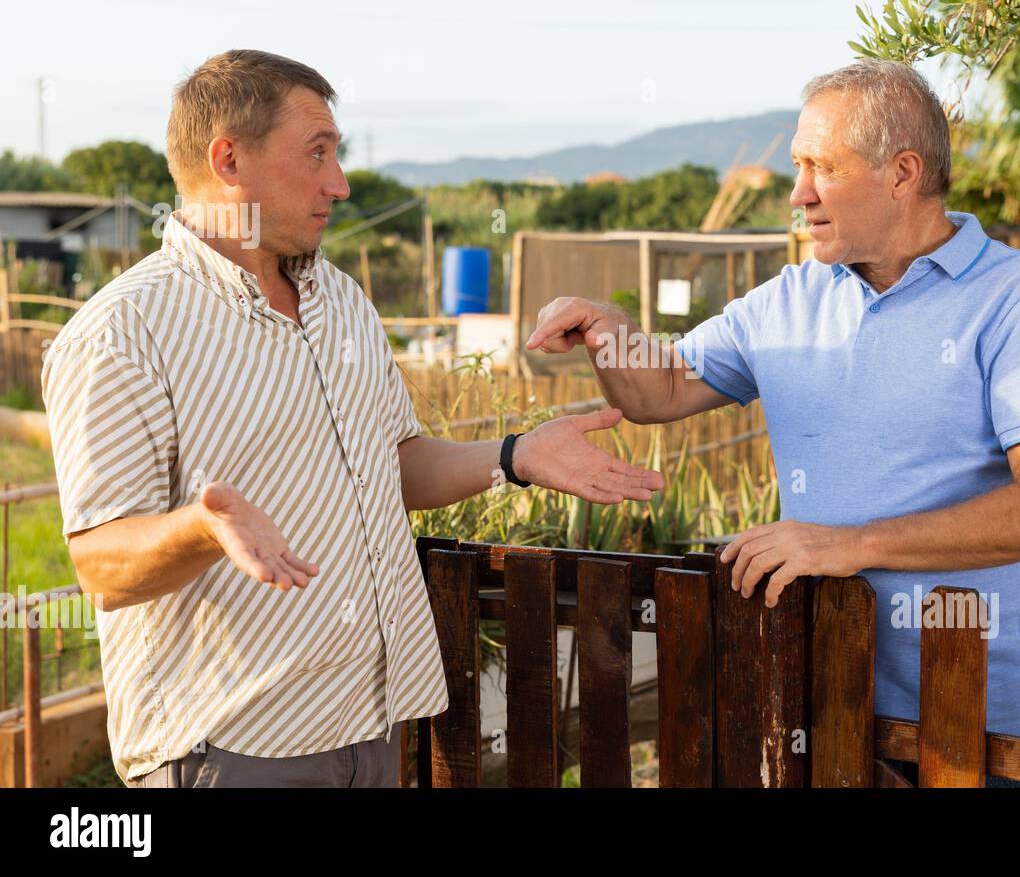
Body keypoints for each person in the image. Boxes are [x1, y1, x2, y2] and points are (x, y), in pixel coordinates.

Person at [41, 49, 664, 788]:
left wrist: (514, 454)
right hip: (235, 750)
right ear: (228, 159)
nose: (338, 183)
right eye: (317, 153)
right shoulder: (122, 330)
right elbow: (101, 566)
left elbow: (392, 461)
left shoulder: (340, 298)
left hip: (373, 728)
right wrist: (202, 528)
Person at [526, 59, 1020, 787]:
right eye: (799, 167)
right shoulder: (788, 298)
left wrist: (849, 545)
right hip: (817, 702)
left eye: (822, 167)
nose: (800, 194)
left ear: (903, 173)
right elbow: (662, 387)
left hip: (974, 720)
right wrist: (609, 331)